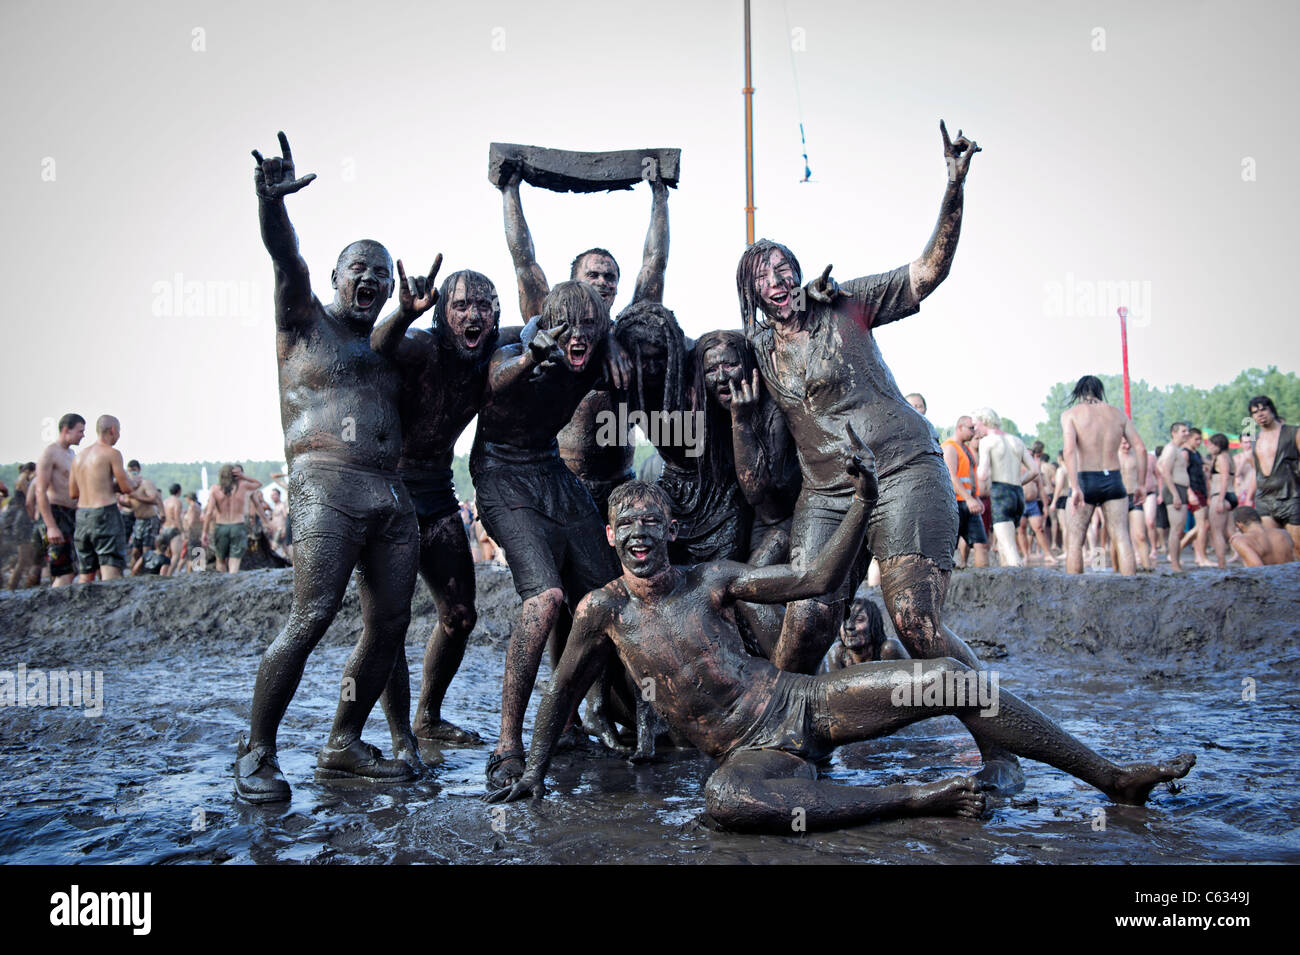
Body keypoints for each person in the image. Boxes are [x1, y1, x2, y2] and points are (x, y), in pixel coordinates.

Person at [488, 463, 1195, 832]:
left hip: (802, 703)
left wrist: (860, 501)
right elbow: (561, 693)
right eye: (627, 526)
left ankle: (1111, 776)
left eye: (650, 521)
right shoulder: (600, 610)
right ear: (612, 538)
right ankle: (919, 796)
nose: (640, 535)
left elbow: (816, 577)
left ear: (669, 530)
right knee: (725, 799)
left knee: (952, 677)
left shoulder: (712, 580)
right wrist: (532, 765)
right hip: (752, 755)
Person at [734, 121, 1023, 791]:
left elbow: (929, 272)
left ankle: (998, 746)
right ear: (752, 292)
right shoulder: (754, 350)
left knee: (917, 623)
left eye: (785, 265)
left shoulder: (848, 305)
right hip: (830, 493)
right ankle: (788, 744)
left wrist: (953, 189)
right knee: (805, 621)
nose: (780, 277)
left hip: (901, 471)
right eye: (763, 273)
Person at [236, 132, 421, 802]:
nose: (370, 279)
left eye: (380, 271)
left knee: (391, 625)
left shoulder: (383, 345)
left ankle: (343, 742)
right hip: (325, 484)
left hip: (391, 495)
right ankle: (256, 749)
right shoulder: (303, 319)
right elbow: (286, 256)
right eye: (358, 269)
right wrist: (272, 203)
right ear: (338, 278)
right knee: (312, 614)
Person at [471, 280, 622, 787]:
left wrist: (616, 342)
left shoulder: (599, 351)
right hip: (500, 473)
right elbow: (495, 380)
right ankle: (507, 745)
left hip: (552, 472)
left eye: (589, 328)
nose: (577, 338)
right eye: (568, 327)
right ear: (547, 323)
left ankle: (566, 722)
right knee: (545, 597)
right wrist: (531, 357)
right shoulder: (517, 348)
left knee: (607, 597)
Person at [369, 262, 514, 751]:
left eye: (483, 307)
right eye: (460, 306)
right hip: (389, 492)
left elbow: (541, 325)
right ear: (442, 313)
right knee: (390, 623)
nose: (473, 315)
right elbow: (378, 346)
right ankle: (398, 735)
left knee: (460, 615)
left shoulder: (492, 352)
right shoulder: (422, 348)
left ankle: (427, 717)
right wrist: (403, 312)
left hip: (437, 493)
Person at [498, 166, 664, 519]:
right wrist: (509, 191)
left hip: (618, 483)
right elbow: (524, 262)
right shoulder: (548, 318)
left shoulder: (630, 331)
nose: (603, 282)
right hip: (560, 482)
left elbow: (654, 265)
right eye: (593, 275)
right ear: (574, 281)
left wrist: (660, 196)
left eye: (610, 277)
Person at [1060, 376, 1145, 576]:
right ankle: (1132, 592)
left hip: (1085, 478)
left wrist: (1075, 487)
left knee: (1075, 540)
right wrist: (1140, 484)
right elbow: (1140, 448)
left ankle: (1074, 594)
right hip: (1113, 478)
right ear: (1100, 391)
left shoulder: (1071, 415)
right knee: (1122, 537)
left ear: (1079, 393)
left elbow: (1069, 451)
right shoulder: (1118, 414)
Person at [67, 415, 134, 582]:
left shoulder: (79, 457)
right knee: (110, 568)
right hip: (105, 514)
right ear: (112, 430)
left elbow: (73, 493)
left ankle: (80, 607)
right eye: (118, 432)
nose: (118, 436)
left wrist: (100, 485)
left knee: (86, 572)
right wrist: (131, 483)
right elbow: (126, 488)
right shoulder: (112, 453)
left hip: (82, 516)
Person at [975, 408, 1037, 567]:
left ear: (984, 422)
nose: (975, 429)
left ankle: (1020, 587)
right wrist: (1019, 482)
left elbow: (982, 475)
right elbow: (1034, 470)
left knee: (1010, 548)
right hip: (1017, 493)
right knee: (1004, 544)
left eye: (976, 425)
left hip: (1000, 493)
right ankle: (1006, 585)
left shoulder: (987, 442)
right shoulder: (1016, 440)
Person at [34, 413, 86, 586]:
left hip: (71, 514)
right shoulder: (50, 453)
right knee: (63, 570)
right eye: (80, 431)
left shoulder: (71, 454)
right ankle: (53, 611)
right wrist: (51, 526)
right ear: (66, 430)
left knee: (71, 569)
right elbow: (40, 491)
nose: (83, 435)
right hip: (55, 513)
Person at [1248, 395, 1300, 560]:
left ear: (1272, 410)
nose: (1260, 414)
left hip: (1291, 495)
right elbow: (1255, 471)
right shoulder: (1255, 439)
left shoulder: (1293, 432)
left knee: (1297, 546)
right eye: (1255, 412)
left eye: (1263, 409)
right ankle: (1282, 586)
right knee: (1276, 547)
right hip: (1265, 498)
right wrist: (1250, 496)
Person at [941, 416, 988, 568]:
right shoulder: (949, 447)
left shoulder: (965, 448)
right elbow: (951, 476)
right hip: (955, 502)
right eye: (971, 428)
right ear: (960, 427)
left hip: (968, 502)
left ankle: (984, 580)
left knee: (980, 543)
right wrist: (969, 498)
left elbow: (970, 476)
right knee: (948, 546)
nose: (973, 432)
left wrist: (976, 497)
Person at [202, 464, 262, 573]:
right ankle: (232, 584)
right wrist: (243, 476)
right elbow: (258, 484)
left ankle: (222, 586)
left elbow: (209, 512)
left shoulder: (215, 489)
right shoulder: (243, 486)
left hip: (221, 527)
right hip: (238, 526)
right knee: (234, 562)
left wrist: (204, 532)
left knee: (220, 560)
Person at [826, 595, 908, 669]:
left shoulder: (889, 650)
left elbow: (914, 678)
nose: (849, 627)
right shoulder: (837, 653)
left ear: (874, 625)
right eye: (845, 620)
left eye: (859, 620)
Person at [1157, 423, 1192, 572]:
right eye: (1183, 431)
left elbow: (1159, 465)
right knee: (1176, 529)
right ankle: (1174, 564)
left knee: (1179, 529)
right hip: (1175, 489)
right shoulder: (1170, 449)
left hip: (1180, 488)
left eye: (1187, 430)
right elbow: (1165, 471)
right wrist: (1175, 494)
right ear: (1174, 433)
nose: (1187, 433)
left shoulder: (1175, 450)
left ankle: (1176, 561)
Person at [1118, 437, 1154, 572]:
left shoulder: (1137, 456)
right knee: (1118, 537)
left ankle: (1147, 568)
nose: (1126, 446)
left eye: (1128, 443)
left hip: (1134, 497)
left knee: (1140, 535)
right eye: (1123, 443)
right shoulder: (1112, 456)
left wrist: (1142, 487)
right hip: (1117, 498)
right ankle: (1117, 569)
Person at [122, 460, 164, 575]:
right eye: (130, 471)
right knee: (135, 551)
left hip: (150, 519)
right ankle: (135, 573)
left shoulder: (145, 483)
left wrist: (136, 496)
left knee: (147, 549)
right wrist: (120, 500)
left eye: (134, 471)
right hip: (138, 520)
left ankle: (148, 573)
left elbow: (154, 499)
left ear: (139, 470)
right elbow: (130, 504)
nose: (132, 473)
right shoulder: (130, 485)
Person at [1204, 433, 1237, 569]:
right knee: (1230, 532)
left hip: (1221, 496)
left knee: (1217, 532)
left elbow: (1223, 478)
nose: (1209, 447)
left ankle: (1221, 565)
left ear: (1218, 445)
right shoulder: (1228, 458)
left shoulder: (1222, 458)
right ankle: (1246, 557)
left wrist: (1220, 500)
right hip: (1230, 495)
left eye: (1211, 444)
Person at [1228, 506, 1296, 566]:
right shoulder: (1284, 533)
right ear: (1260, 519)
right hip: (1291, 578)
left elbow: (1257, 569)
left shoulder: (1240, 540)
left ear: (1238, 524)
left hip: (1267, 579)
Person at [158, 483, 185, 576]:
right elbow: (177, 517)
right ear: (179, 491)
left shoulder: (165, 501)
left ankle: (162, 574)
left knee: (166, 554)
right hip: (173, 529)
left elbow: (162, 515)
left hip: (165, 528)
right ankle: (169, 574)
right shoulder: (177, 502)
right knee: (176, 555)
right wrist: (182, 532)